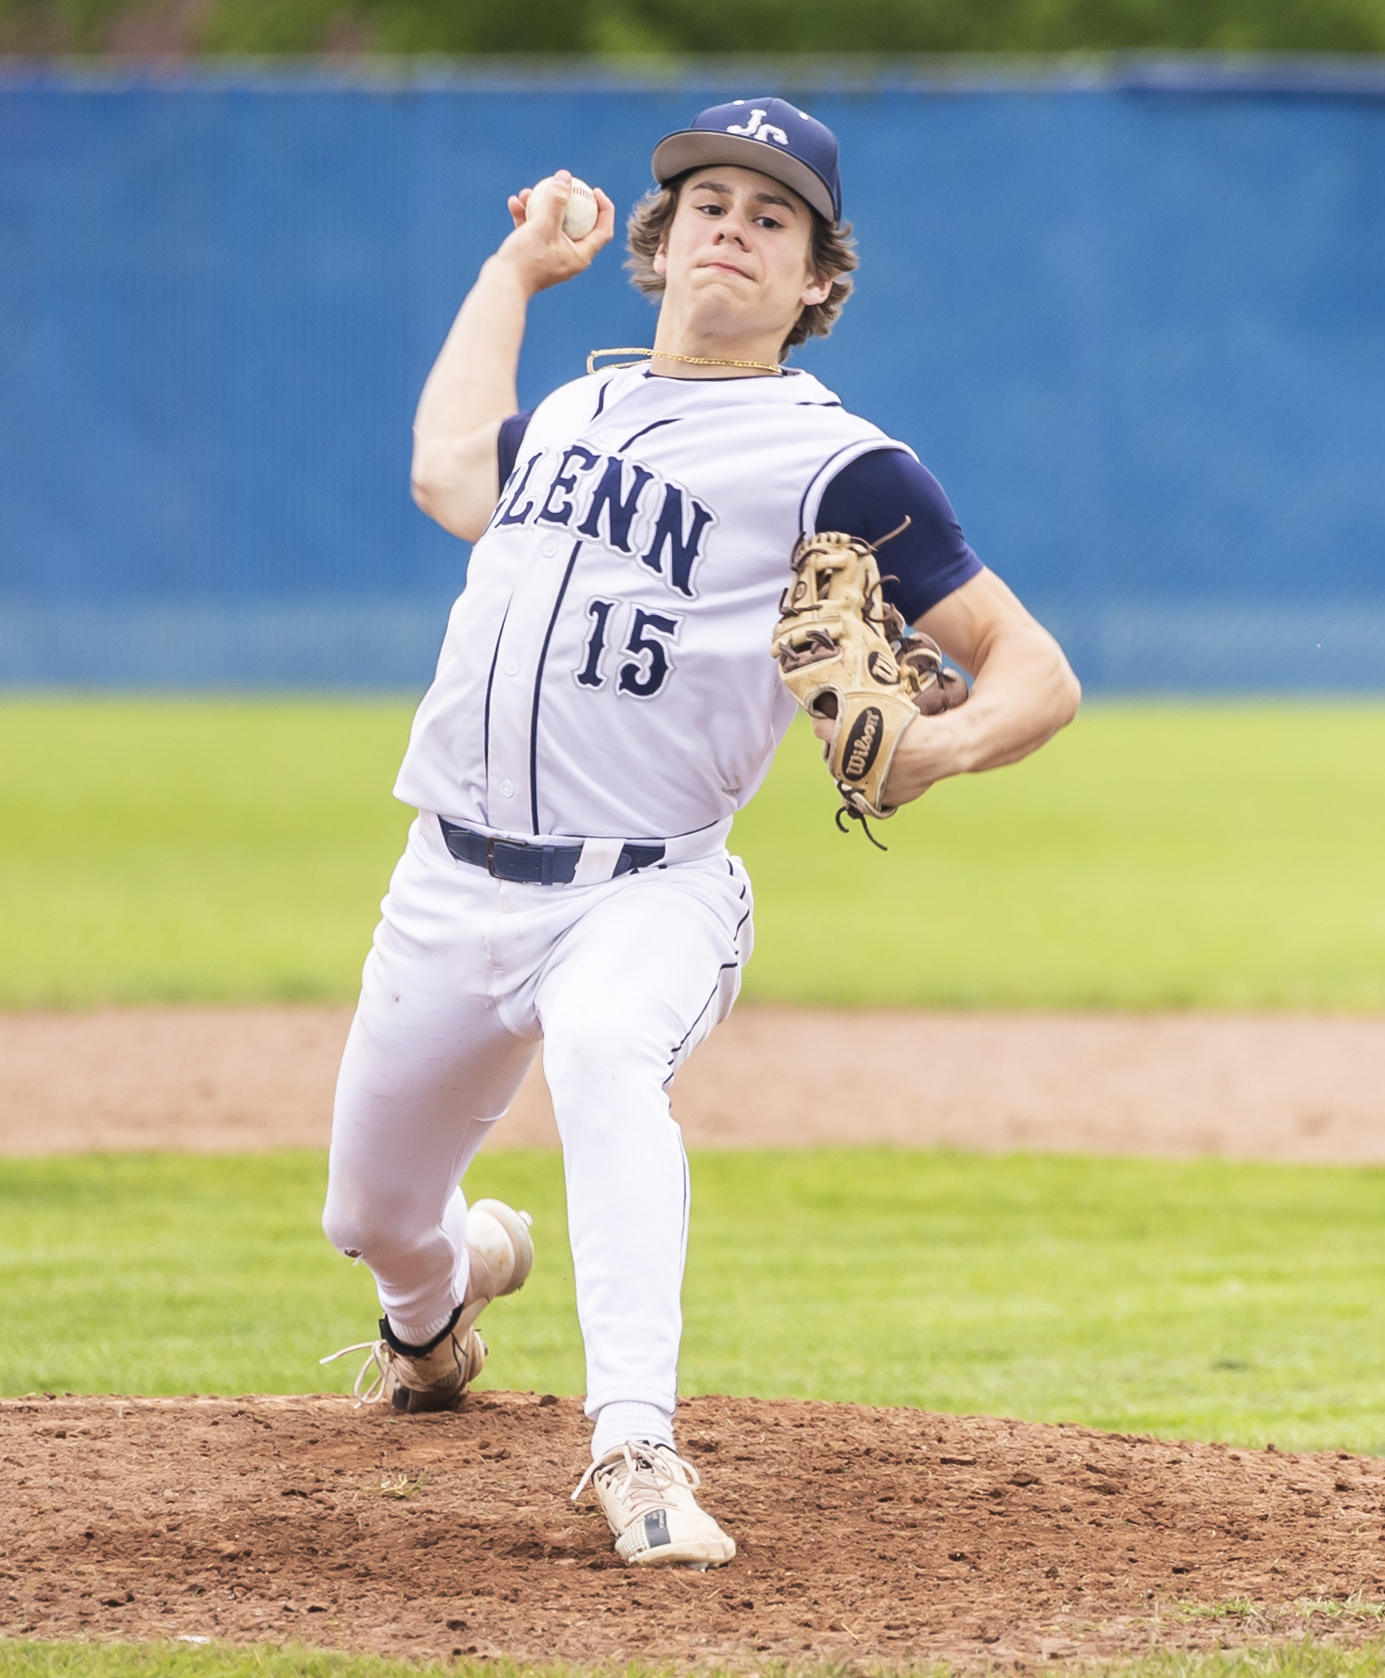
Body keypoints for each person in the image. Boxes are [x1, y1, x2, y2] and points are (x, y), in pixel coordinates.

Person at [319, 96, 1080, 1569]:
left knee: (605, 1050)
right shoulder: (576, 415)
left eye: (774, 215)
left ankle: (634, 1443)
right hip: (447, 883)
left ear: (814, 286)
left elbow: (1034, 670)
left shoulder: (838, 464)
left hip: (647, 890)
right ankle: (442, 1304)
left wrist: (934, 745)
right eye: (710, 203)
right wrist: (514, 277)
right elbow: (443, 474)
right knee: (369, 1210)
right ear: (660, 245)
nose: (734, 225)